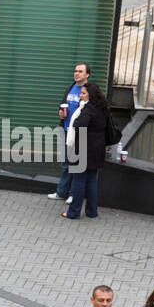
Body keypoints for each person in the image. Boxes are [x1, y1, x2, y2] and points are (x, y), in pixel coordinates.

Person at [62, 81, 109, 220]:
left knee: (79, 181)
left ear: (91, 95)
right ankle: (91, 212)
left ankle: (73, 212)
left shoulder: (88, 108)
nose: (81, 96)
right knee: (92, 181)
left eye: (83, 93)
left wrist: (76, 121)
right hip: (97, 149)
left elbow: (79, 124)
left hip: (84, 149)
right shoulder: (102, 107)